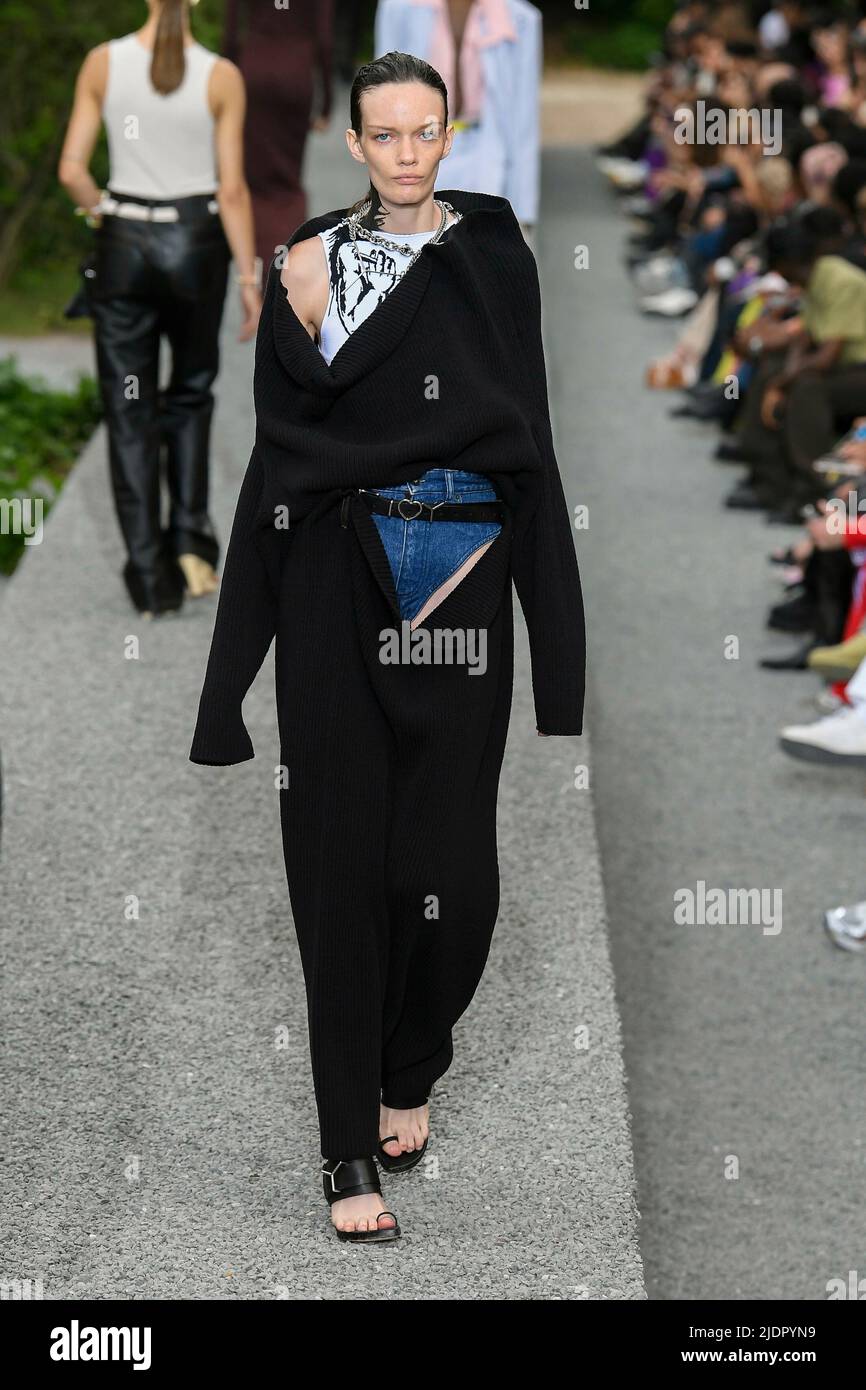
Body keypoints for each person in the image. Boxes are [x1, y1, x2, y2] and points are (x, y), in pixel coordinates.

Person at [189, 51, 586, 1243]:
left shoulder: (494, 255)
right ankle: (343, 1146)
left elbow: (531, 443)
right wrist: (227, 689)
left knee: (452, 882)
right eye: (385, 136)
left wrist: (558, 655)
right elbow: (277, 466)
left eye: (427, 132)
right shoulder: (304, 264)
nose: (408, 154)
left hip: (459, 586)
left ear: (447, 133)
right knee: (338, 870)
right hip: (327, 587)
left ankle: (411, 1061)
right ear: (352, 145)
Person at [58, 0, 261, 617]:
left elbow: (72, 170)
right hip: (197, 247)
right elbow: (230, 188)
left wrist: (104, 217)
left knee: (128, 410)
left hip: (124, 248)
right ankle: (192, 546)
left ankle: (149, 578)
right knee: (192, 393)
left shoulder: (102, 64)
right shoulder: (221, 75)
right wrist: (250, 277)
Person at [374, 0, 542, 232]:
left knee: (484, 258)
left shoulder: (520, 18)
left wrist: (524, 213)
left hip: (487, 153)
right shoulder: (399, 7)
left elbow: (523, 121)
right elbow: (383, 103)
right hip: (419, 148)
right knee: (417, 258)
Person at [222, 0, 335, 274]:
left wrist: (225, 82)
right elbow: (324, 34)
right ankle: (283, 272)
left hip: (255, 68)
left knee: (255, 183)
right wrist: (327, 100)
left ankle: (256, 275)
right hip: (295, 71)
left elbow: (232, 24)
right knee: (287, 182)